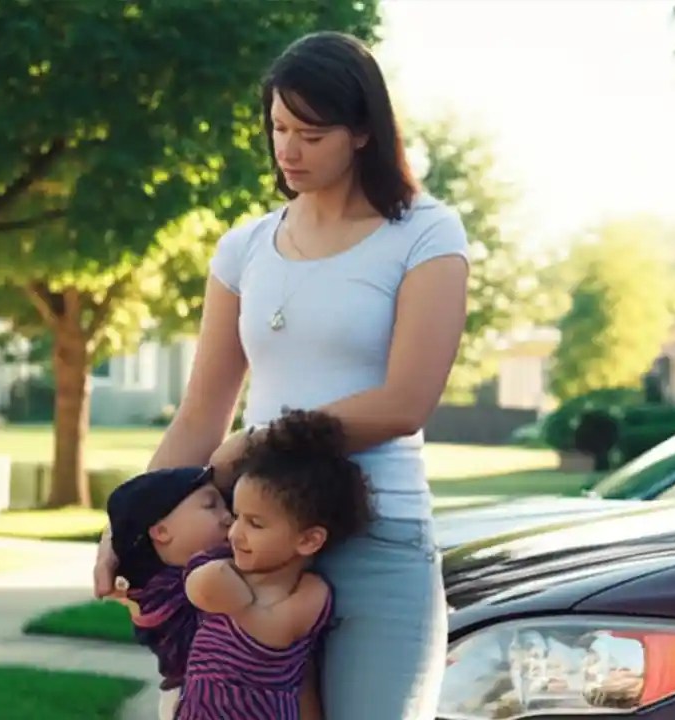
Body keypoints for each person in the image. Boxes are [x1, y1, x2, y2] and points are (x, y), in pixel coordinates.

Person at [94, 29, 469, 720]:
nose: (288, 150)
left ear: (363, 132)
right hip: (252, 548)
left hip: (379, 537)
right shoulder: (244, 248)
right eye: (279, 128)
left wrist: (260, 442)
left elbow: (404, 403)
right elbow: (200, 415)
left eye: (312, 134)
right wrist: (127, 526)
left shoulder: (425, 233)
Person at [176, 409, 372, 719]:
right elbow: (198, 588)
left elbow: (274, 633)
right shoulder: (219, 563)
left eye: (255, 523)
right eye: (236, 516)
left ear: (308, 540)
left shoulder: (311, 590)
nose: (235, 532)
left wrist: (238, 604)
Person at [105, 466, 234, 719]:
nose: (229, 517)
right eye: (211, 506)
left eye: (226, 506)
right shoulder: (166, 595)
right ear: (161, 531)